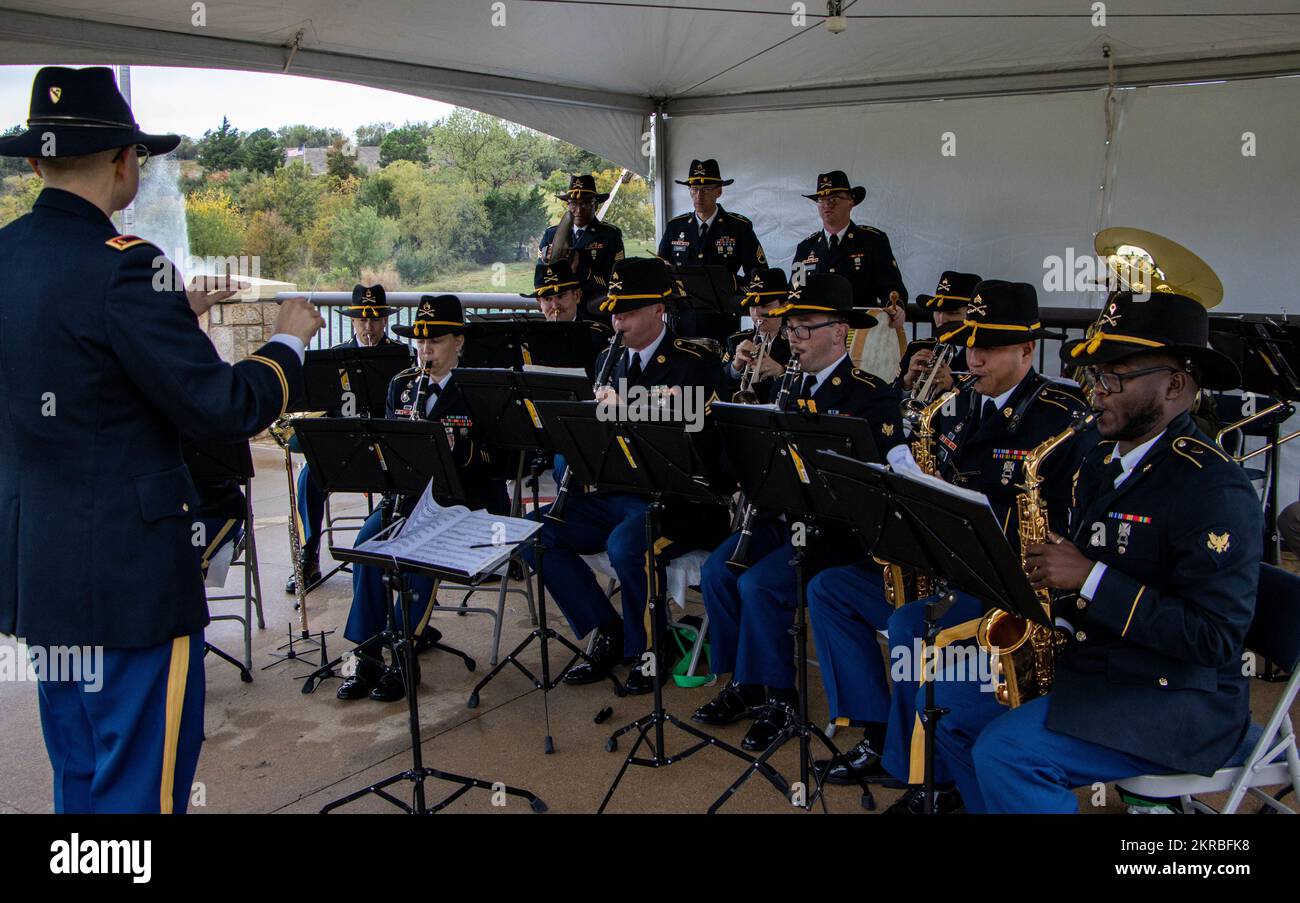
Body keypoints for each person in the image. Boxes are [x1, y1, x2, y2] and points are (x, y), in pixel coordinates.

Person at [0, 66, 322, 813]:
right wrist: (288, 345)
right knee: (138, 790)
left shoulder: (10, 257)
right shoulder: (129, 266)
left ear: (36, 162)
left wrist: (167, 316)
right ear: (124, 162)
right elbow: (223, 407)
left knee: (79, 777)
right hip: (128, 582)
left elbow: (71, 360)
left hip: (43, 575)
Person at [926, 291, 1260, 813]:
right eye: (1094, 377)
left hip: (1177, 699)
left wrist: (1088, 579)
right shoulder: (1105, 460)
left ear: (1174, 385)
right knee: (948, 712)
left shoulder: (1213, 489)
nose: (1096, 393)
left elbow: (1213, 640)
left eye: (1114, 379)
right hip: (1100, 668)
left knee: (1008, 752)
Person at [804, 280, 1092, 811]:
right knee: (836, 591)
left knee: (916, 627)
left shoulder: (1064, 416)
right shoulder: (954, 408)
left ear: (1028, 349)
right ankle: (896, 750)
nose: (972, 358)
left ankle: (930, 778)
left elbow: (1073, 525)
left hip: (1019, 585)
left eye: (988, 348)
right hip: (955, 571)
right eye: (968, 345)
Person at [692, 273, 912, 750]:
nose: (794, 337)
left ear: (840, 332)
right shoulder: (784, 385)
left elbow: (883, 486)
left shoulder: (871, 395)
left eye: (805, 327)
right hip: (784, 518)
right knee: (717, 571)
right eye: (790, 327)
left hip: (839, 531)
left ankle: (782, 699)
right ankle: (746, 683)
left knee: (759, 585)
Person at [521, 258, 731, 694]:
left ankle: (650, 649)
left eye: (630, 310)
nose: (618, 319)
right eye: (615, 310)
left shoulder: (696, 363)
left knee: (625, 544)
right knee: (535, 534)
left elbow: (709, 441)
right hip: (617, 494)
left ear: (660, 309)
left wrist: (632, 404)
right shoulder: (604, 359)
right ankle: (607, 628)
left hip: (682, 503)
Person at [336, 295, 510, 702]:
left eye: (435, 340)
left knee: (420, 557)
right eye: (420, 341)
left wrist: (458, 443)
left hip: (466, 504)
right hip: (409, 501)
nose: (425, 349)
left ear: (459, 342)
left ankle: (403, 652)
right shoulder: (401, 386)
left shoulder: (480, 389)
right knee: (366, 545)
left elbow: (502, 459)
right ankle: (367, 654)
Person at [287, 283, 409, 594]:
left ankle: (390, 553)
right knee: (308, 476)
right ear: (353, 321)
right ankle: (308, 554)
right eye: (362, 320)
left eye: (375, 319)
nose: (369, 327)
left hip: (384, 448)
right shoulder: (333, 359)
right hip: (345, 448)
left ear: (384, 321)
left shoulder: (401, 358)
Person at [657, 159, 766, 342]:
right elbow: (659, 272)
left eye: (706, 189)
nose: (699, 196)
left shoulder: (738, 227)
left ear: (719, 191)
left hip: (722, 322)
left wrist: (730, 287)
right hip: (684, 322)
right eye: (694, 189)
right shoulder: (676, 227)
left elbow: (760, 275)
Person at [792, 170, 908, 327]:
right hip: (818, 333)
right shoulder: (806, 248)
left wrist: (896, 307)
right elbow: (795, 291)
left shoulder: (872, 241)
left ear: (850, 202)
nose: (827, 205)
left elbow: (891, 285)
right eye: (822, 199)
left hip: (860, 331)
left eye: (833, 199)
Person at [539, 174, 624, 312]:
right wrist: (547, 261)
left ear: (595, 205)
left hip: (594, 309)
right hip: (560, 309)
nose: (578, 210)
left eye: (585, 203)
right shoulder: (552, 235)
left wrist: (580, 270)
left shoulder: (609, 235)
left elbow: (616, 282)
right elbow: (540, 279)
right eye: (573, 203)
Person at [895, 270, 980, 394]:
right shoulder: (917, 347)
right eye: (938, 311)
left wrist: (952, 386)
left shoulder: (983, 356)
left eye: (952, 313)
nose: (941, 319)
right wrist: (907, 383)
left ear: (972, 316)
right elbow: (890, 403)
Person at [723, 267, 792, 402]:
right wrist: (735, 367)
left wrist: (781, 372)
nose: (756, 313)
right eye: (752, 306)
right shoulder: (737, 340)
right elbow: (717, 382)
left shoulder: (796, 341)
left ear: (784, 305)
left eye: (765, 305)